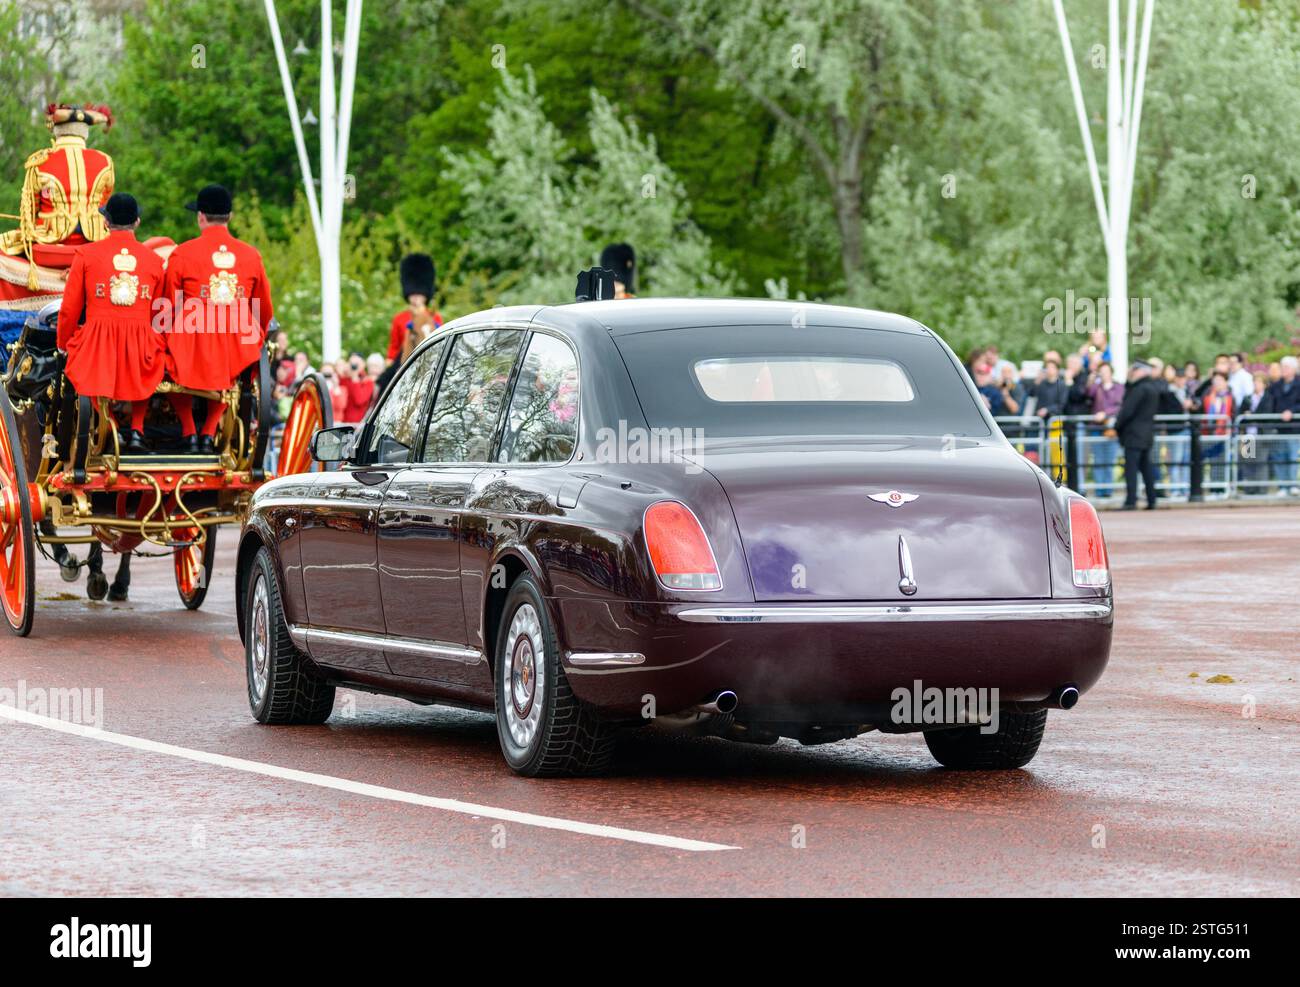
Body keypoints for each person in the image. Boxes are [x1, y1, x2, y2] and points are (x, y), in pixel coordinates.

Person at [163, 184, 274, 453]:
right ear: (230, 216)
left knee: (164, 361)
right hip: (237, 335)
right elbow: (263, 306)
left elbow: (169, 301)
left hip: (194, 331)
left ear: (201, 216)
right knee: (232, 371)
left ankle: (190, 430)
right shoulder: (250, 254)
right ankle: (210, 429)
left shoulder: (183, 252)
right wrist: (255, 331)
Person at [54, 193, 166, 454]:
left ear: (106, 222)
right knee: (152, 357)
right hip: (141, 340)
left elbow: (69, 309)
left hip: (98, 338)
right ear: (137, 222)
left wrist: (63, 343)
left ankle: (111, 424)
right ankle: (137, 429)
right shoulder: (155, 261)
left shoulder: (85, 254)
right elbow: (160, 312)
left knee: (79, 362)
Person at [2, 104, 115, 291]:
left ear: (56, 131)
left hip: (51, 245)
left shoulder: (39, 161)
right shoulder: (105, 160)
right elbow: (105, 203)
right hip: (96, 242)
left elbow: (30, 212)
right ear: (84, 133)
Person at [1114, 360, 1161, 510]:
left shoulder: (1139, 389)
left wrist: (1116, 426)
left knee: (1132, 469)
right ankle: (1151, 499)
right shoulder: (1151, 388)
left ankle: (1131, 500)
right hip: (1146, 434)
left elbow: (1126, 411)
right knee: (1146, 469)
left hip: (1134, 434)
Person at [386, 253, 442, 362]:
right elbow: (394, 348)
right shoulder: (399, 319)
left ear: (425, 295)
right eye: (413, 294)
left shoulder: (435, 318)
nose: (416, 297)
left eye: (419, 294)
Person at [1265, 355, 1300, 495]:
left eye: (1286, 367)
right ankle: (1282, 486)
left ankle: (1292, 484)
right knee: (1279, 456)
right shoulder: (1275, 385)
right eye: (1282, 367)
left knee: (1293, 456)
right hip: (1278, 427)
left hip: (1295, 428)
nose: (1283, 370)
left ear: (1293, 369)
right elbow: (1269, 403)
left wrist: (1292, 411)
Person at [1238, 372, 1275, 495]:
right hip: (1248, 434)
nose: (1256, 385)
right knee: (1248, 462)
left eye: (1259, 382)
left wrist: (1251, 416)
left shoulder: (1269, 397)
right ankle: (1249, 488)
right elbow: (1241, 413)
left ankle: (1261, 488)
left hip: (1261, 434)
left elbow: (1267, 414)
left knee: (1260, 461)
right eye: (1255, 382)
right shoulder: (1248, 398)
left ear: (1265, 384)